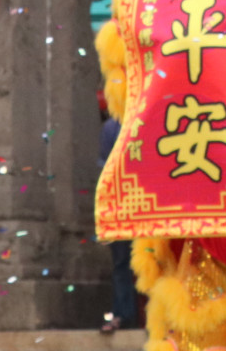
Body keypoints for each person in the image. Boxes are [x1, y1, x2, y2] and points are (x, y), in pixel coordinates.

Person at [98, 108, 138, 334]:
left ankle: (161, 316)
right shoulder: (112, 127)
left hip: (153, 204)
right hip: (120, 204)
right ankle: (122, 314)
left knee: (158, 261)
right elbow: (105, 167)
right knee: (121, 263)